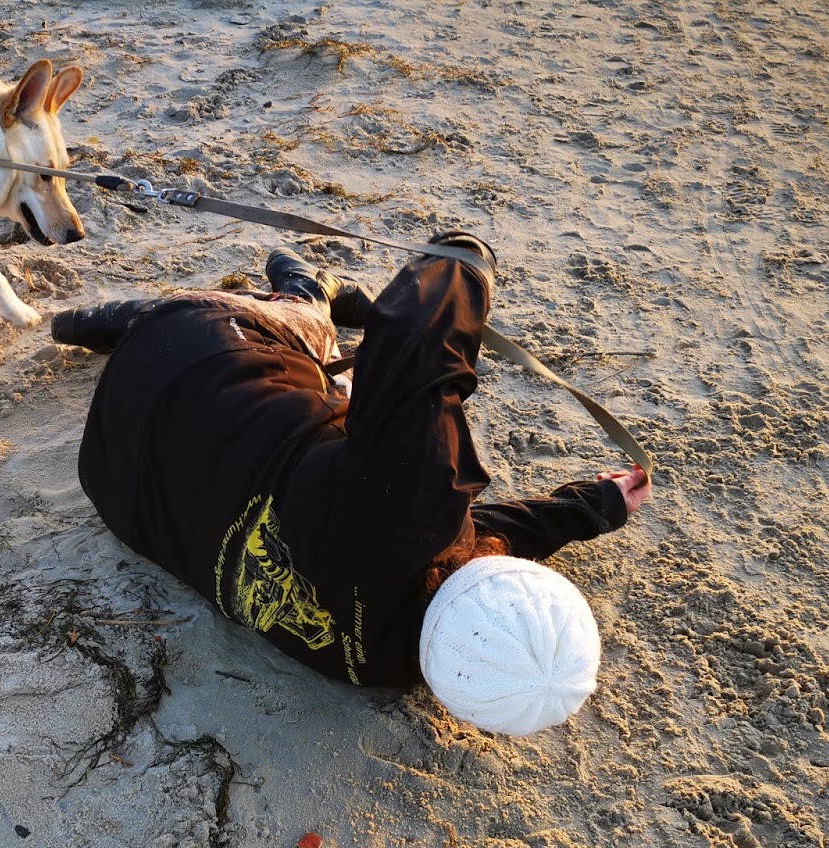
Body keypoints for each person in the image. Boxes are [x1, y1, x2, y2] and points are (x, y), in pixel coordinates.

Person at [53, 234, 652, 736]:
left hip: (197, 356)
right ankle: (147, 321)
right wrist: (589, 508)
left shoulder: (414, 504)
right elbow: (455, 559)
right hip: (117, 476)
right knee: (331, 396)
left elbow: (416, 340)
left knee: (318, 340)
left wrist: (465, 261)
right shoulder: (383, 667)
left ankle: (304, 290)